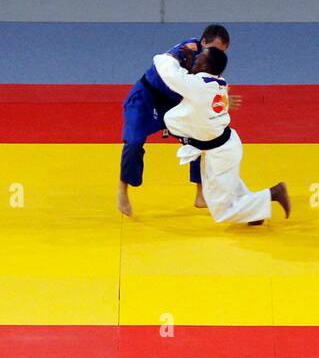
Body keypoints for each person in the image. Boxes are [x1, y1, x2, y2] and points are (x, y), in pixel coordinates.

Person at [153, 45, 290, 227]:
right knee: (231, 187)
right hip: (222, 147)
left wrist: (171, 55)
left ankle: (274, 193)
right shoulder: (218, 83)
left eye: (200, 57)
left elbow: (169, 74)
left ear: (205, 66)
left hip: (221, 152)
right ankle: (254, 214)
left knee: (220, 210)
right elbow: (190, 83)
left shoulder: (199, 86)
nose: (196, 57)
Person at [118, 24, 231, 216]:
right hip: (147, 97)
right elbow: (168, 65)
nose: (217, 56)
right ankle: (123, 189)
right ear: (203, 43)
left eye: (222, 53)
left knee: (201, 135)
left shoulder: (212, 61)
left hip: (174, 103)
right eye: (214, 50)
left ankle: (200, 193)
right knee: (134, 142)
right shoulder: (185, 50)